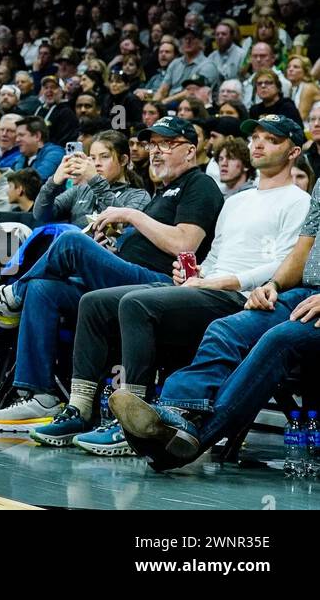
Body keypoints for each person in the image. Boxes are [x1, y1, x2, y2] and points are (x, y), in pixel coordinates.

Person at [28, 115, 310, 455]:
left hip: (243, 298)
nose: (258, 144)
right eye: (256, 138)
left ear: (294, 152)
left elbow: (285, 263)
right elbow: (218, 253)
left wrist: (226, 281)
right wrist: (198, 274)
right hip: (208, 287)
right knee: (96, 302)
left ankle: (131, 421)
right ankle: (79, 408)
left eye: (271, 139)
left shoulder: (299, 201)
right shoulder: (236, 200)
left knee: (135, 303)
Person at [0, 116, 222, 431]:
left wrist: (131, 215)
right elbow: (42, 214)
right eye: (153, 144)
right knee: (42, 289)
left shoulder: (198, 184)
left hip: (159, 287)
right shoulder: (163, 192)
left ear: (191, 151)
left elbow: (184, 242)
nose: (157, 151)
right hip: (125, 279)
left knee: (70, 241)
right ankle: (41, 396)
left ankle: (10, 296)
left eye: (168, 144)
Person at [111, 180, 320, 471]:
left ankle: (183, 445)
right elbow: (303, 250)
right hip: (303, 293)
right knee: (226, 329)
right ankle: (174, 411)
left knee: (279, 340)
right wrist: (273, 284)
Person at [30, 130, 149, 226]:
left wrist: (96, 181)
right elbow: (40, 215)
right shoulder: (80, 190)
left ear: (123, 160)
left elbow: (120, 226)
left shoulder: (139, 196)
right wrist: (53, 183)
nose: (96, 163)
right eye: (92, 158)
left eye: (104, 157)